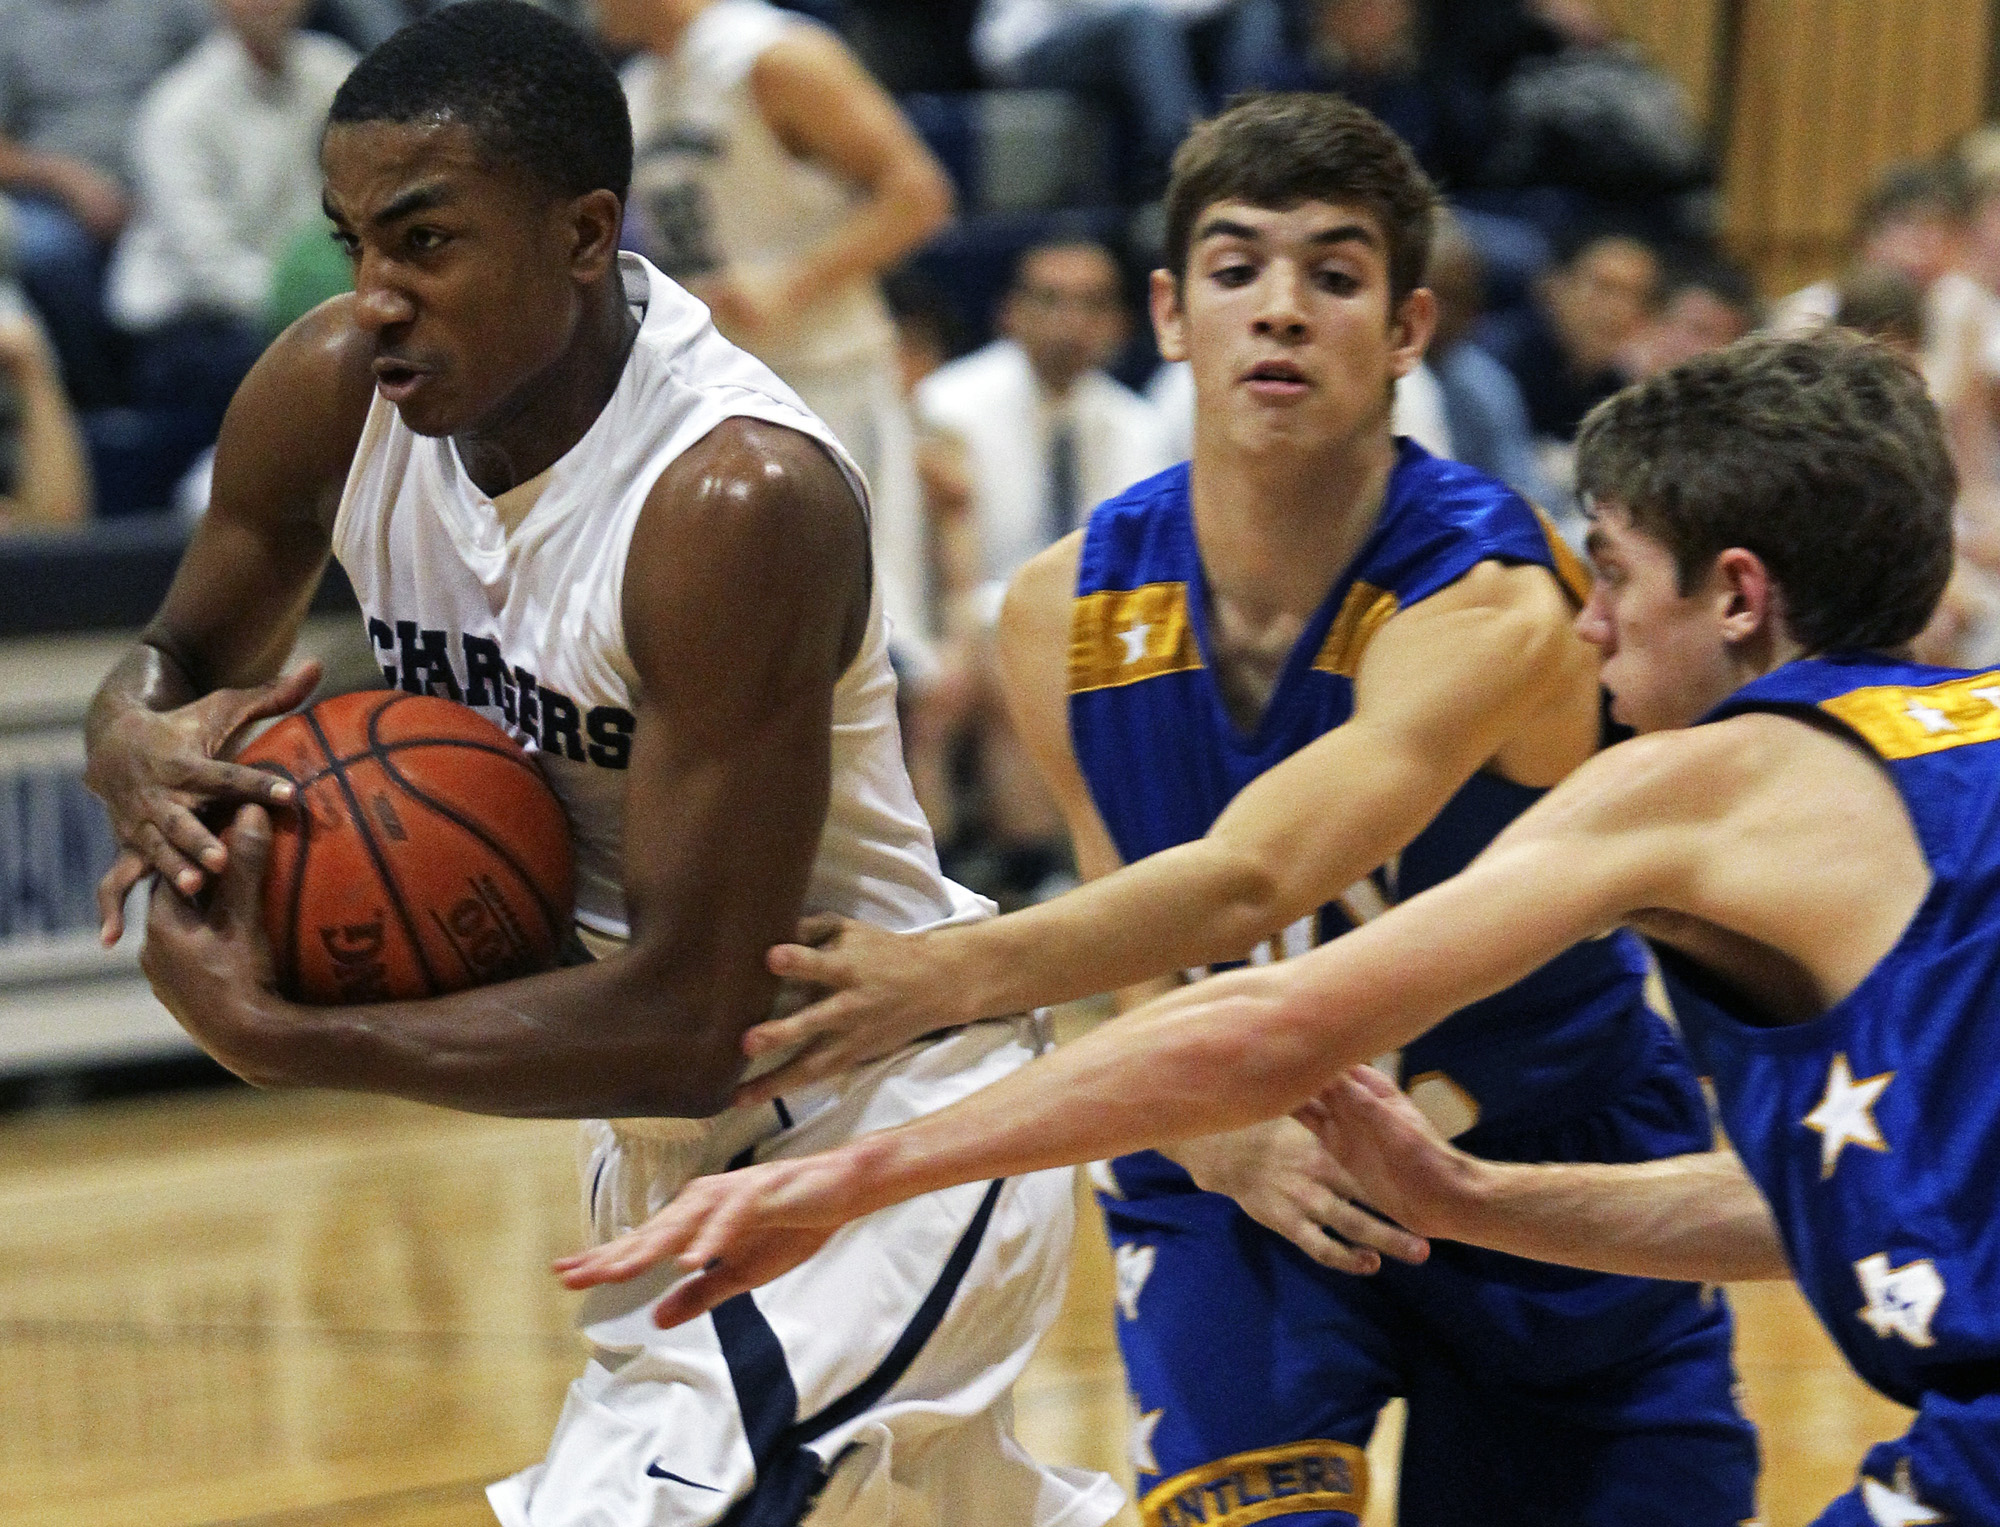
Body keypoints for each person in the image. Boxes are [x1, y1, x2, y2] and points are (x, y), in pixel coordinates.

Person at [559, 327, 1983, 1527]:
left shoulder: (1703, 779)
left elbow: (1264, 1020)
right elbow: (1837, 1206)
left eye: (1611, 572)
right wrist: (1470, 1203)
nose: (1590, 627)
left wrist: (851, 1172)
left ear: (1737, 593)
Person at [80, 7, 1121, 1526]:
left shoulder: (731, 497)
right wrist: (130, 737)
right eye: (353, 239)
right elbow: (173, 659)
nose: (372, 296)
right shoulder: (331, 392)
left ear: (584, 235)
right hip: (644, 1136)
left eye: (425, 242)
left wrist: (280, 1032)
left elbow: (698, 1018)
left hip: (868, 1109)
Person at [604, 0, 954, 676]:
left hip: (825, 386)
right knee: (736, 650)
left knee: (859, 645)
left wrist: (789, 282)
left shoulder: (773, 56)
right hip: (706, 396)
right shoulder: (637, 90)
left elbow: (918, 193)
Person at [916, 237, 1175, 897]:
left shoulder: (1136, 424)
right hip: (947, 615)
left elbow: (1134, 572)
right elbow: (936, 560)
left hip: (1085, 623)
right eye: (1050, 300)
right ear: (1010, 312)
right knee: (1012, 653)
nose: (1070, 322)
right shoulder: (949, 406)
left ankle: (1072, 868)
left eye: (1091, 304)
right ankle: (1030, 867)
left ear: (1119, 323)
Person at [108, 0, 358, 435]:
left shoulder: (333, 69)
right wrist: (311, 305)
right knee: (334, 365)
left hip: (315, 298)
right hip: (193, 324)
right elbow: (207, 264)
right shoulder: (176, 108)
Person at [0, 0, 213, 404]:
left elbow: (219, 82)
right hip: (49, 194)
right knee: (48, 256)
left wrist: (164, 180)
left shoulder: (171, 9)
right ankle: (102, 410)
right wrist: (67, 180)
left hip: (171, 174)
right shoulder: (11, 17)